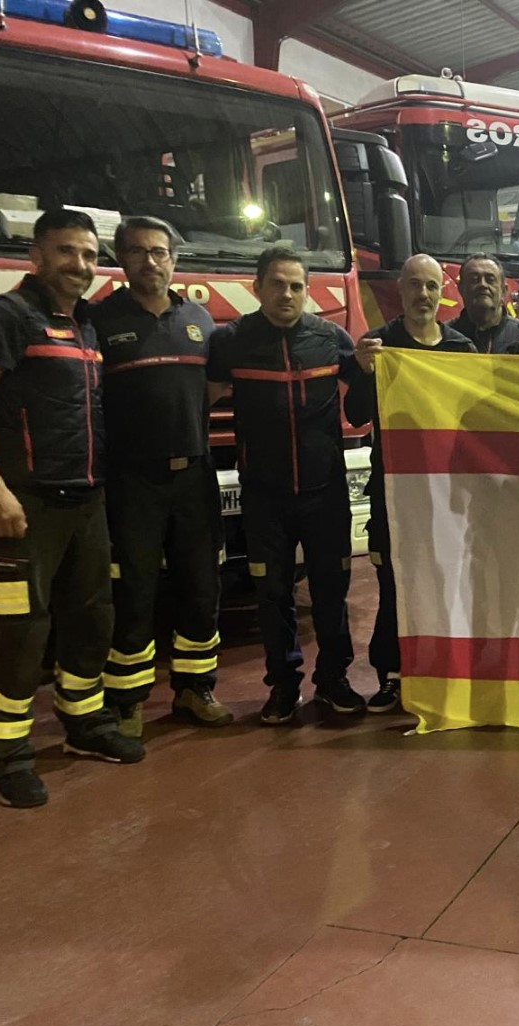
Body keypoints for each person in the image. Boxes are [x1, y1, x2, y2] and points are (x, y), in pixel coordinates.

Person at [0, 209, 144, 808]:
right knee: (19, 632)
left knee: (91, 619)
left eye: (90, 255)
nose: (80, 266)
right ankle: (8, 757)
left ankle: (84, 725)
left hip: (86, 500)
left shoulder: (84, 324)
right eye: (67, 252)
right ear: (36, 256)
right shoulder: (6, 317)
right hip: (26, 505)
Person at [207, 248, 368, 724]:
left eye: (297, 286)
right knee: (272, 595)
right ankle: (282, 687)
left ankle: (334, 681)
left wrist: (369, 365)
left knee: (330, 591)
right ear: (257, 288)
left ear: (307, 291)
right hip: (265, 496)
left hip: (325, 494)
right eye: (277, 284)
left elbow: (364, 395)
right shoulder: (232, 342)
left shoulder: (330, 338)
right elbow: (199, 401)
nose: (287, 294)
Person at [90, 216, 231, 738]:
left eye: (159, 252)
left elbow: (211, 389)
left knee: (201, 585)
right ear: (121, 259)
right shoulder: (100, 320)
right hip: (133, 482)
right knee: (134, 591)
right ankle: (126, 701)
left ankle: (195, 689)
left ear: (174, 259)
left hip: (194, 476)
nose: (150, 261)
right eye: (138, 252)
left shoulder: (198, 318)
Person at [351, 255, 475, 712]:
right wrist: (363, 373)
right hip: (395, 492)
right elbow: (356, 416)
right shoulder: (379, 347)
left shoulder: (462, 351)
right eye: (414, 287)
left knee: (452, 580)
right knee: (393, 582)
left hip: (450, 493)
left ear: (441, 292)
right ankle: (391, 674)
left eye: (430, 286)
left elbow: (476, 421)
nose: (422, 296)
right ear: (399, 291)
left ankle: (449, 667)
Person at [449, 255, 519, 353]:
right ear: (460, 289)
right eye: (474, 279)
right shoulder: (444, 337)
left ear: (504, 290)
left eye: (490, 280)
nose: (483, 285)